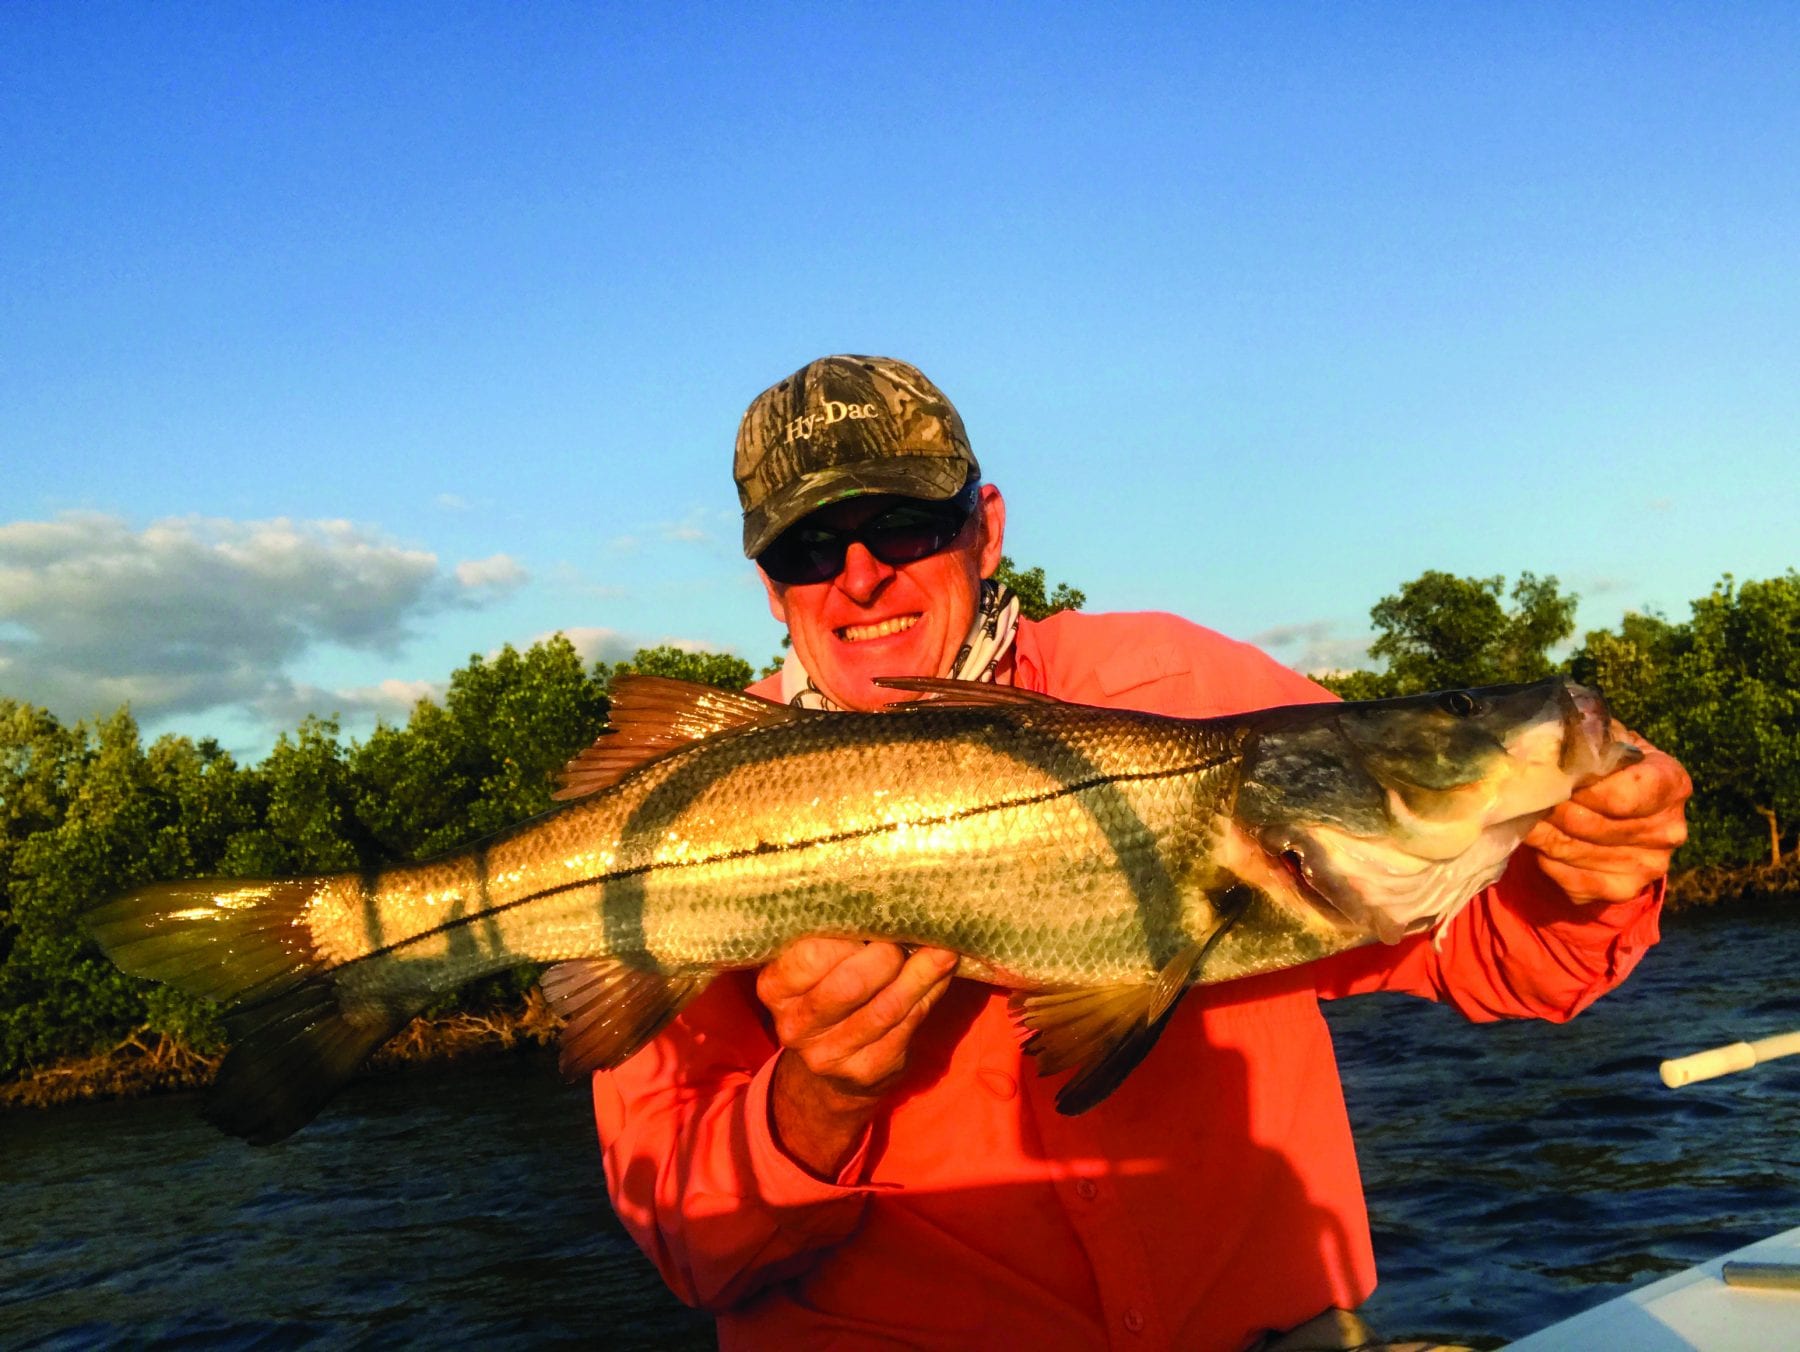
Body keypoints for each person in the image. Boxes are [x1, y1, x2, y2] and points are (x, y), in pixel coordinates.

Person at [591, 355, 1691, 1350]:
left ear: (986, 524)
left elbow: (1496, 957)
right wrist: (814, 1101)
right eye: (809, 545)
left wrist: (1583, 870)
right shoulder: (679, 812)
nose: (862, 572)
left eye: (906, 522)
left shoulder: (1184, 691)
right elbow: (697, 1250)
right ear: (770, 585)